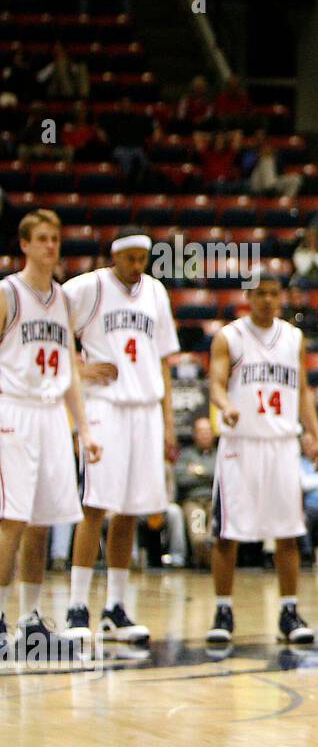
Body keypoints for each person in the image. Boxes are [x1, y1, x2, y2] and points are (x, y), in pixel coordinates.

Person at [62, 229, 181, 644]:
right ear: (114, 257)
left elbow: (165, 361)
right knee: (96, 505)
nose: (136, 267)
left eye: (141, 259)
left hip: (145, 410)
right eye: (129, 259)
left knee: (130, 510)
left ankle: (116, 608)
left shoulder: (155, 292)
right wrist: (79, 368)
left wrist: (167, 423)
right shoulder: (88, 287)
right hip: (105, 408)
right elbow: (46, 326)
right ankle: (77, 606)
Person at [0, 210, 101, 657]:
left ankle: (30, 622)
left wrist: (84, 428)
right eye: (42, 239)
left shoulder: (64, 300)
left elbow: (72, 374)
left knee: (43, 519)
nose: (51, 246)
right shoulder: (7, 293)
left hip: (52, 415)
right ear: (23, 244)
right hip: (14, 410)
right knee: (13, 518)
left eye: (56, 239)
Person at [205, 269, 318, 644]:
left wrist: (316, 437)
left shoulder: (294, 337)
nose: (268, 300)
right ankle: (223, 610)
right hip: (241, 445)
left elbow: (304, 392)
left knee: (288, 532)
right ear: (248, 297)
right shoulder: (230, 337)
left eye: (274, 293)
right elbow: (216, 384)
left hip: (282, 445)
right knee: (227, 532)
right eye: (260, 294)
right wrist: (225, 406)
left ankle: (289, 611)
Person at [174, 416, 218, 568]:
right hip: (194, 502)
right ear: (194, 435)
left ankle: (215, 566)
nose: (205, 434)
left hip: (214, 500)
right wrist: (209, 475)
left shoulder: (219, 454)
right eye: (201, 431)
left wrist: (199, 472)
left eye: (208, 431)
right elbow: (181, 478)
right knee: (199, 538)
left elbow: (222, 477)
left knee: (214, 536)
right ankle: (203, 564)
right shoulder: (186, 455)